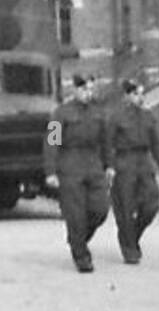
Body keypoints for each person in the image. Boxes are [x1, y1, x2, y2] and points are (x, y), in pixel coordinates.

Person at [45, 73, 112, 273]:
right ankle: (81, 256)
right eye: (83, 89)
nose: (87, 93)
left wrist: (109, 165)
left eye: (91, 89)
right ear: (75, 90)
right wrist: (50, 171)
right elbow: (51, 142)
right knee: (75, 214)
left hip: (93, 164)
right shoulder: (61, 113)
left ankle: (78, 238)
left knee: (100, 209)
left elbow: (106, 142)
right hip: (70, 165)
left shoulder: (99, 113)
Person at [109, 79, 159, 264]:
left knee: (151, 203)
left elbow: (156, 143)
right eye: (136, 94)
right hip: (124, 162)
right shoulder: (116, 117)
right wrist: (109, 167)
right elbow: (108, 144)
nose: (140, 98)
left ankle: (132, 236)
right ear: (126, 96)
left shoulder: (148, 116)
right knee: (126, 207)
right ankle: (129, 248)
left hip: (144, 162)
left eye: (142, 93)